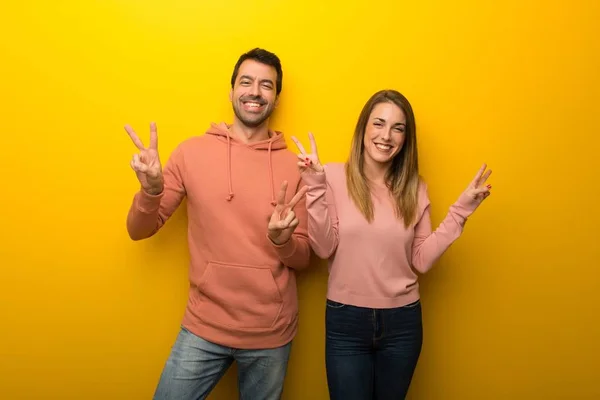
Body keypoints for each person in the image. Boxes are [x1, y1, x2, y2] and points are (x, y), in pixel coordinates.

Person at [124, 48, 311, 400]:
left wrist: (282, 241)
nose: (255, 92)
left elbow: (304, 259)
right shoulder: (190, 153)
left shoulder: (294, 166)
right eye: (246, 82)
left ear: (276, 97)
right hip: (203, 326)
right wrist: (150, 192)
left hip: (270, 334)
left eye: (266, 85)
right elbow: (138, 230)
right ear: (231, 91)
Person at [292, 89, 492, 399]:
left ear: (405, 139)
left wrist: (461, 210)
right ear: (364, 128)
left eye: (398, 128)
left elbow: (422, 260)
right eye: (379, 124)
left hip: (403, 323)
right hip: (346, 320)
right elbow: (322, 247)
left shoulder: (415, 187)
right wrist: (314, 187)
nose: (386, 136)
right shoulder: (330, 176)